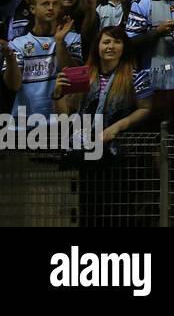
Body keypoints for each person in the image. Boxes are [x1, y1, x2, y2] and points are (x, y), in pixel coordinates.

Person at [53, 26, 153, 227]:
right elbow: (66, 115)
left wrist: (117, 127)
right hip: (86, 153)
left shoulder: (137, 76)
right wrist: (57, 95)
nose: (111, 46)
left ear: (124, 47)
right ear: (97, 47)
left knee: (118, 211)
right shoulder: (82, 75)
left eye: (117, 42)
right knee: (89, 210)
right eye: (106, 42)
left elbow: (145, 109)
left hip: (118, 155)